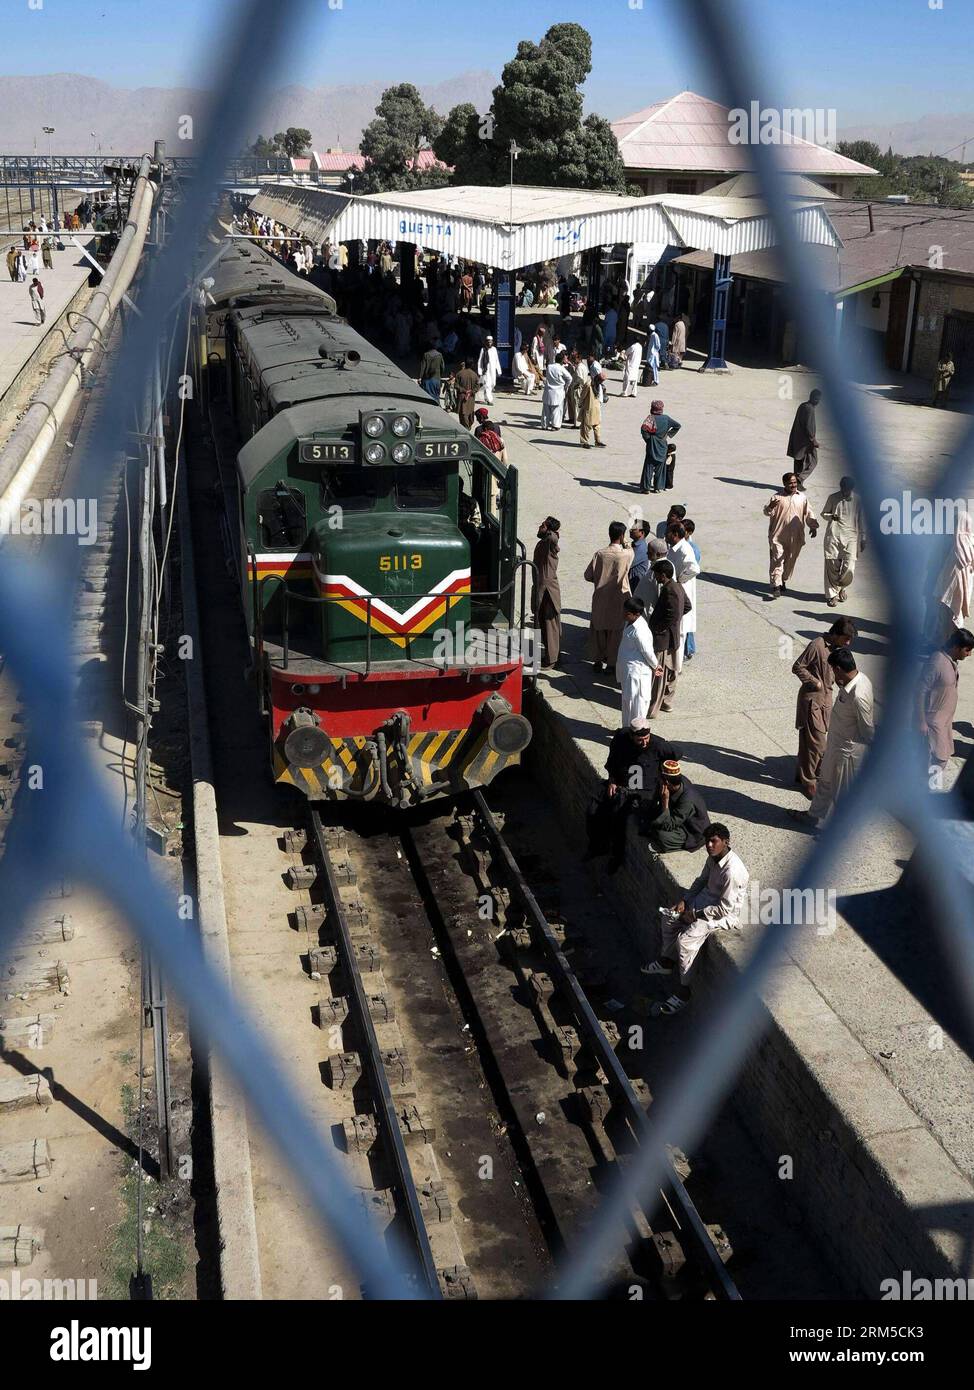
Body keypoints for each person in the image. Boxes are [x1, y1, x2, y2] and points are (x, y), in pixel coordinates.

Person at [641, 823, 749, 1016]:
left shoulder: (733, 871)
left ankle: (684, 992)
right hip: (701, 903)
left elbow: (726, 908)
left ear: (725, 842)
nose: (709, 845)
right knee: (669, 918)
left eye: (714, 841)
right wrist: (685, 900)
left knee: (685, 942)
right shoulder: (713, 858)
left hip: (720, 915)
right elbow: (700, 882)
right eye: (707, 841)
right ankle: (667, 962)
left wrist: (696, 914)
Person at [788, 648, 874, 831]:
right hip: (835, 744)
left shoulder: (858, 695)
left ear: (839, 669)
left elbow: (867, 729)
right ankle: (814, 816)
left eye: (833, 670)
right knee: (825, 782)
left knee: (842, 794)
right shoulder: (852, 681)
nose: (833, 675)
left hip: (847, 752)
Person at [586, 719, 678, 872]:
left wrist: (663, 779)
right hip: (621, 784)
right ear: (631, 736)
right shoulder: (621, 738)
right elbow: (613, 760)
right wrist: (612, 780)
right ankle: (596, 846)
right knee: (593, 808)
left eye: (646, 739)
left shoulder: (658, 745)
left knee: (620, 818)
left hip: (643, 793)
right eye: (640, 740)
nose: (644, 743)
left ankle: (616, 857)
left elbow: (675, 756)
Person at [791, 617, 857, 800]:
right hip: (812, 700)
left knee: (809, 740)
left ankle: (802, 774)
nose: (848, 642)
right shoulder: (817, 645)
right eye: (846, 638)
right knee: (818, 744)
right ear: (835, 634)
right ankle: (809, 781)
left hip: (826, 701)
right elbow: (797, 666)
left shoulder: (837, 649)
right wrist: (815, 682)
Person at [918, 628, 974, 785]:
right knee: (936, 761)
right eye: (967, 650)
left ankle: (930, 790)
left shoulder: (949, 661)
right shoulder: (937, 662)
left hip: (944, 722)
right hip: (933, 724)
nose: (969, 654)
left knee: (940, 759)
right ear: (956, 647)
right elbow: (919, 691)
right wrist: (921, 721)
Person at [584, 521, 631, 670]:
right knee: (614, 634)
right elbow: (630, 551)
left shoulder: (599, 554)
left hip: (600, 599)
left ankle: (597, 660)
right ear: (622, 536)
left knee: (599, 631)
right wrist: (627, 544)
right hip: (618, 599)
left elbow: (588, 575)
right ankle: (611, 663)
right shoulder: (626, 555)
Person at [764, 472, 819, 599]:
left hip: (796, 537)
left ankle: (783, 579)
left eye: (795, 482)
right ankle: (776, 586)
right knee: (777, 559)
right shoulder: (776, 497)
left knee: (790, 561)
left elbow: (809, 512)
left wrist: (813, 526)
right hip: (777, 535)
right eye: (791, 483)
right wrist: (770, 507)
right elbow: (767, 512)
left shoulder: (802, 497)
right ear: (784, 484)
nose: (793, 485)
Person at [647, 559, 688, 715]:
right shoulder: (677, 586)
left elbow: (672, 615)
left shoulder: (669, 590)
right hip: (672, 637)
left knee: (659, 675)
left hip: (664, 639)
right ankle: (666, 702)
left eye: (657, 575)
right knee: (671, 671)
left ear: (663, 575)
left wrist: (659, 628)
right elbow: (686, 606)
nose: (655, 578)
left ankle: (653, 708)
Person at [642, 759, 709, 854]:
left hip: (690, 831)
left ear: (666, 783)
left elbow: (668, 825)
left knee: (661, 836)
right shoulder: (675, 784)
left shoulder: (687, 800)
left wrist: (665, 800)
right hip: (678, 819)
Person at [821, 476, 866, 607]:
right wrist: (831, 516)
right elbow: (824, 513)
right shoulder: (833, 498)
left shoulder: (858, 500)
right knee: (832, 565)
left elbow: (862, 520)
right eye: (843, 488)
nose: (844, 491)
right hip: (834, 535)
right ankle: (832, 595)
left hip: (851, 537)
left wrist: (863, 538)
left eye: (847, 489)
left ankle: (842, 587)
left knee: (849, 567)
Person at [616, 597, 660, 726]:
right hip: (628, 671)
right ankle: (626, 730)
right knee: (627, 701)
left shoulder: (640, 631)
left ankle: (637, 730)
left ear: (637, 614)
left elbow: (647, 652)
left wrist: (655, 666)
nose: (624, 614)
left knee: (638, 703)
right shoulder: (629, 623)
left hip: (637, 673)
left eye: (627, 613)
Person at [932, 511, 974, 639]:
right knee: (954, 620)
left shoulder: (957, 546)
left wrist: (942, 593)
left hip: (951, 593)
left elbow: (950, 574)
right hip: (963, 591)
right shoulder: (970, 541)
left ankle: (947, 650)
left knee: (948, 621)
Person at [532, 517, 562, 669]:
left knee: (550, 626)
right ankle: (551, 656)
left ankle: (551, 660)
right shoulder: (543, 542)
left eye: (542, 525)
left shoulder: (550, 541)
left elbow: (554, 538)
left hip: (547, 592)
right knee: (545, 625)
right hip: (541, 590)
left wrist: (551, 531)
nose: (539, 526)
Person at [639, 400, 681, 494]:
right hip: (662, 445)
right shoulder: (666, 418)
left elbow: (643, 430)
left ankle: (646, 488)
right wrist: (668, 434)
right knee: (660, 468)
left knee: (649, 467)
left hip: (652, 445)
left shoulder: (650, 418)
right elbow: (677, 426)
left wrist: (649, 440)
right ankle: (657, 487)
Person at [787, 388, 822, 488]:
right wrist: (813, 440)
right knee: (813, 461)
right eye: (818, 399)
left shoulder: (803, 405)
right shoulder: (809, 409)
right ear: (815, 399)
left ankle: (796, 484)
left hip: (798, 439)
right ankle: (799, 478)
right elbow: (809, 426)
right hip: (805, 442)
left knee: (799, 461)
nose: (818, 401)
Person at [682, 520, 701, 658]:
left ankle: (688, 649)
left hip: (686, 586)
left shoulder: (692, 548)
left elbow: (694, 568)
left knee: (686, 620)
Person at [541, 352, 573, 431]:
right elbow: (570, 378)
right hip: (558, 391)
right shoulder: (561, 368)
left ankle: (544, 425)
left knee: (546, 410)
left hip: (548, 390)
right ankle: (555, 426)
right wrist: (566, 386)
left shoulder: (549, 367)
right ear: (562, 360)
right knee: (556, 410)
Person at [578, 368, 605, 448]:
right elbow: (583, 395)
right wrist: (580, 403)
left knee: (597, 425)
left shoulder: (599, 385)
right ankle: (584, 442)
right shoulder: (589, 384)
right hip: (588, 407)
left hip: (597, 407)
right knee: (586, 426)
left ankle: (598, 441)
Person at [454, 358, 480, 430]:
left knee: (463, 413)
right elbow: (477, 386)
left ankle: (465, 428)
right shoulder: (474, 375)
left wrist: (464, 390)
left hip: (462, 397)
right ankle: (468, 426)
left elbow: (456, 385)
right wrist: (471, 392)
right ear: (472, 365)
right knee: (470, 412)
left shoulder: (459, 373)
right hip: (471, 398)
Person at [478, 335, 501, 405]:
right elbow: (480, 361)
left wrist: (499, 370)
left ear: (492, 342)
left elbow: (497, 360)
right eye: (488, 342)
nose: (489, 343)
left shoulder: (494, 349)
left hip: (493, 370)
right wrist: (480, 371)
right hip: (486, 370)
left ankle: (485, 395)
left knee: (493, 383)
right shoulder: (483, 349)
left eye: (490, 342)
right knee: (487, 384)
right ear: (486, 342)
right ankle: (489, 400)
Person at [628, 521, 650, 588]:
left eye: (634, 529)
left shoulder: (641, 548)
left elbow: (627, 563)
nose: (630, 530)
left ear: (642, 533)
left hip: (636, 587)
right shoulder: (634, 545)